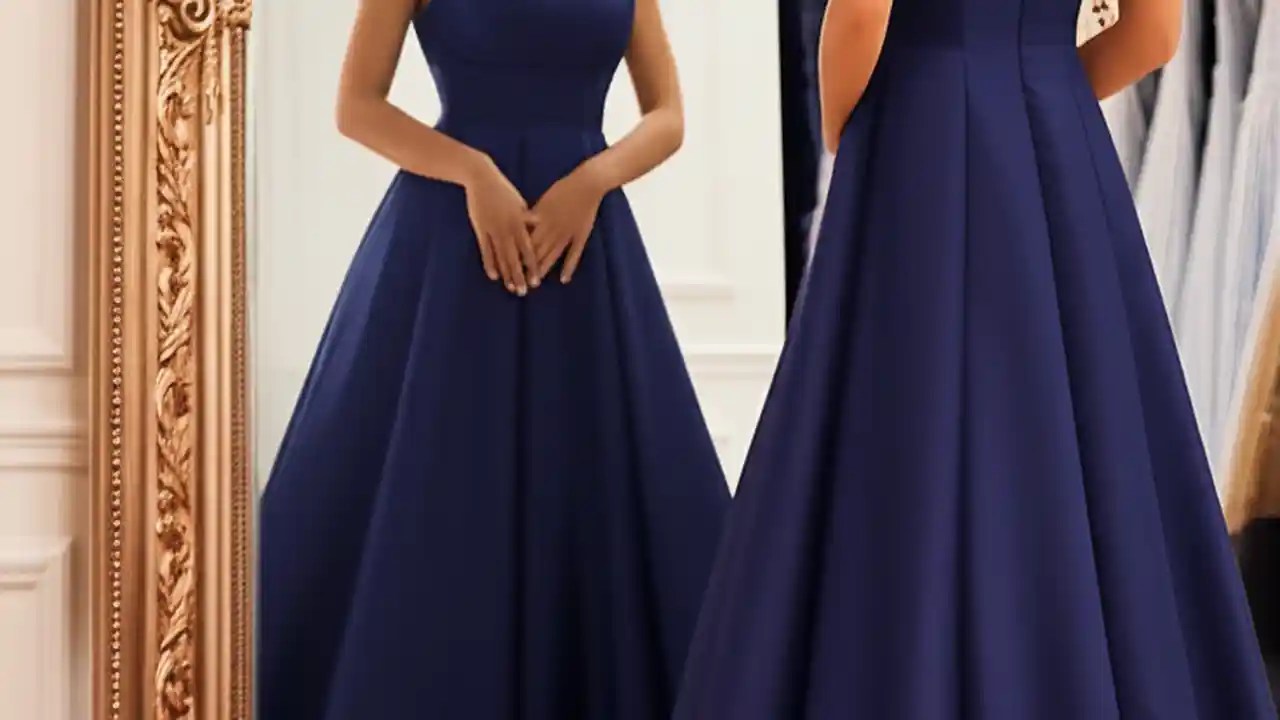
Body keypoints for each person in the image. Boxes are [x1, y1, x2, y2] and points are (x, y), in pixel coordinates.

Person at [672, 0, 1279, 715]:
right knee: (1068, 442)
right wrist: (1042, 94)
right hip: (1057, 141)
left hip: (917, 143)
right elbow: (1155, 34)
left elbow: (862, 16)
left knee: (903, 442)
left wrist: (848, 129)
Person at [257, 0, 729, 717]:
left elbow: (668, 115)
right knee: (439, 494)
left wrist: (593, 180)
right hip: (451, 250)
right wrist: (472, 172)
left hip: (580, 251)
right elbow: (357, 105)